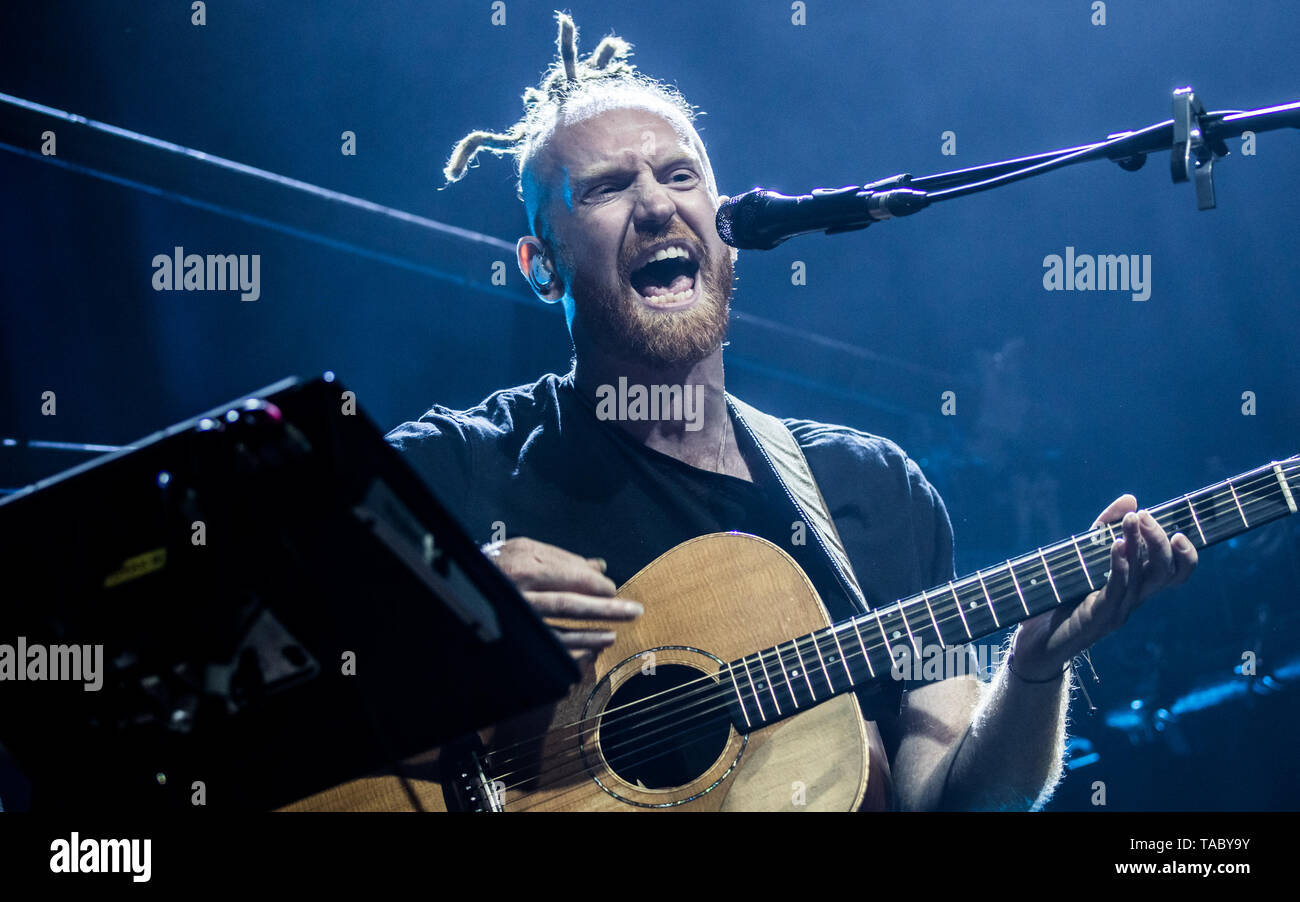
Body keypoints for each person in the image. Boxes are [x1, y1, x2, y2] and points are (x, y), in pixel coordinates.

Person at [387, 13, 1197, 810]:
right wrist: (458, 624)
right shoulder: (462, 469)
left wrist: (1032, 672)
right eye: (606, 188)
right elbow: (270, 640)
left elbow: (948, 801)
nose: (657, 206)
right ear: (541, 267)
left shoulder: (876, 492)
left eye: (681, 176)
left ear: (726, 225)